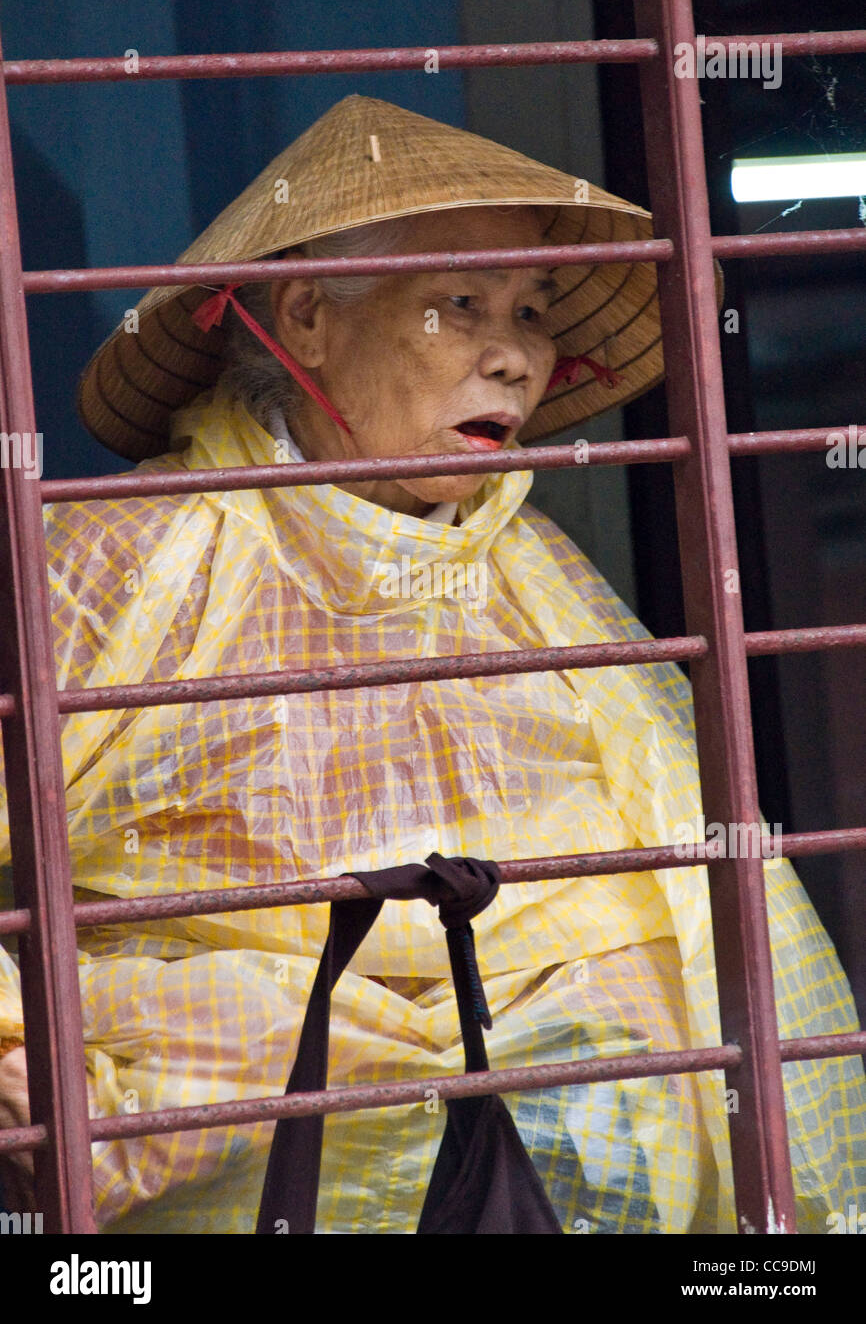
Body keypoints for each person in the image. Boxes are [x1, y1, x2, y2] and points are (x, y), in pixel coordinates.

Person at [0, 94, 864, 1234]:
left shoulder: (540, 576)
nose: (512, 356)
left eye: (529, 310)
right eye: (458, 303)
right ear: (305, 317)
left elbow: (713, 898)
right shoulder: (115, 558)